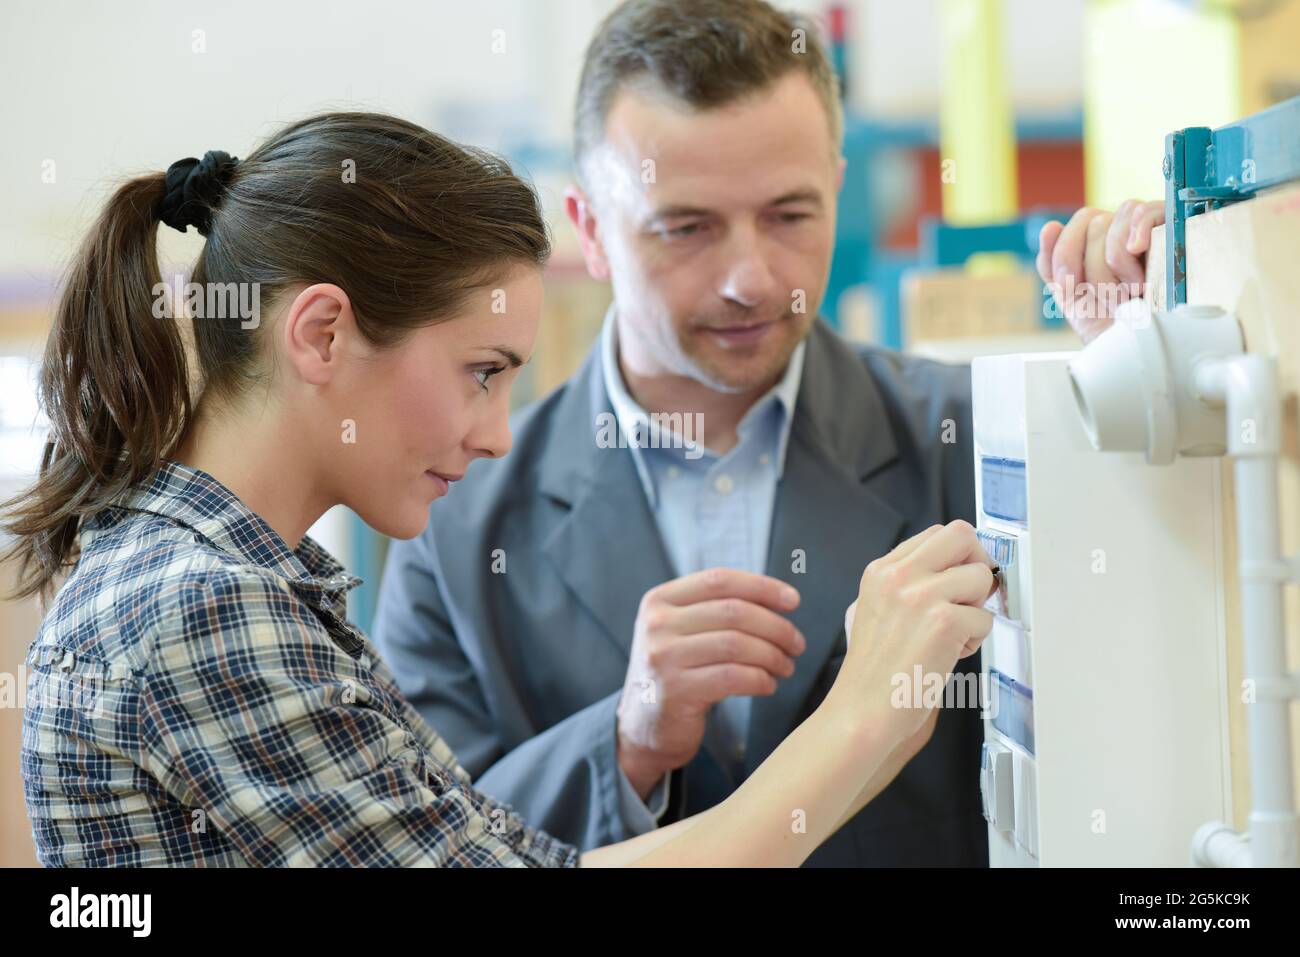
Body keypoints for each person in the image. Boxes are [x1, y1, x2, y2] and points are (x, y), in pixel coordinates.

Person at [4, 110, 997, 867]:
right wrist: (865, 713)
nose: (493, 435)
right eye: (482, 371)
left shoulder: (236, 583)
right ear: (321, 335)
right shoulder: (207, 609)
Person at [373, 0, 992, 865]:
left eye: (789, 215)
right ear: (590, 230)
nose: (750, 279)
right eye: (687, 227)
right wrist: (625, 746)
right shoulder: (455, 512)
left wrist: (1138, 316)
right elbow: (418, 841)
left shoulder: (973, 435)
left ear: (837, 188)